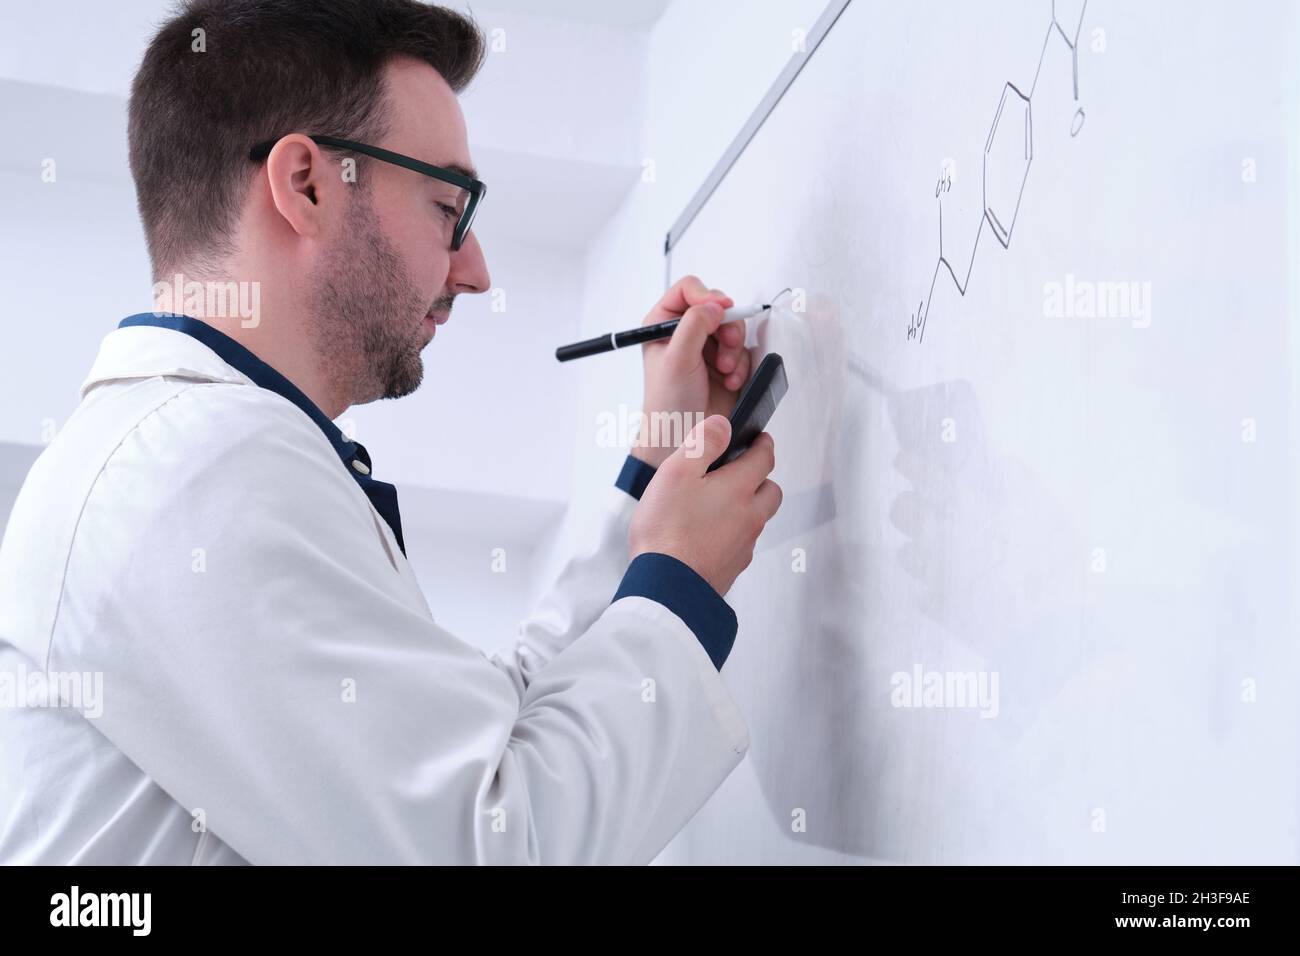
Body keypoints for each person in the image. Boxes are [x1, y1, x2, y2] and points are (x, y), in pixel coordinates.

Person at [0, 0, 781, 864]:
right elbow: (487, 845)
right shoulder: (197, 470)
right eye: (450, 205)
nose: (476, 272)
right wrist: (680, 581)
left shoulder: (197, 454)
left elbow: (488, 737)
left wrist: (654, 469)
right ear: (305, 185)